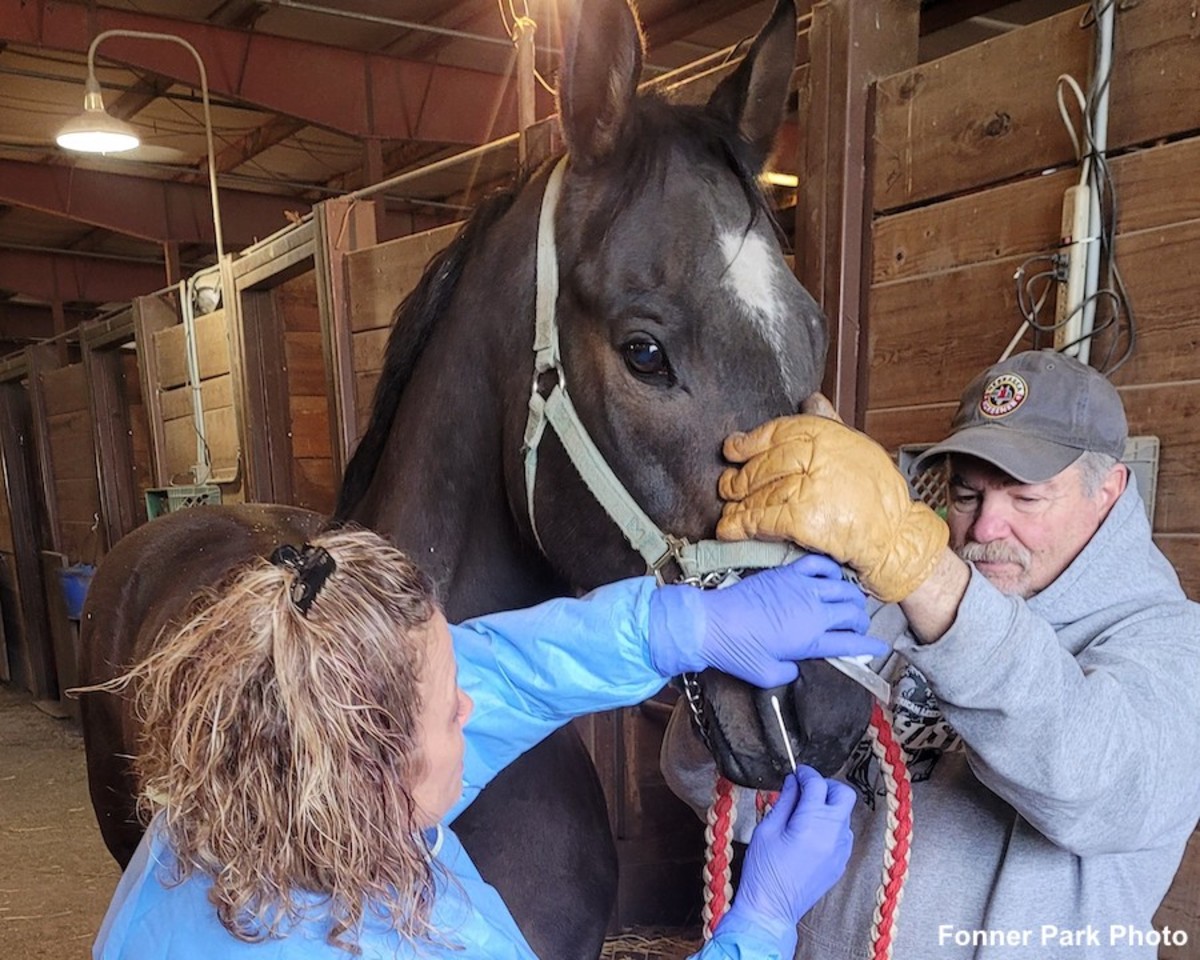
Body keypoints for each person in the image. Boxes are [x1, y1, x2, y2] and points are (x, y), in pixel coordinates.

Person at [89, 525, 887, 960]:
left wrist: (681, 625)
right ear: (373, 773)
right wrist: (762, 924)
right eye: (447, 714)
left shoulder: (233, 787)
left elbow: (497, 671)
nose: (472, 703)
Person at [670, 348, 1200, 959]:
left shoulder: (1171, 646)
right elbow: (716, 791)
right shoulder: (894, 606)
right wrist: (734, 660)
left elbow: (1092, 784)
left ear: (1109, 491)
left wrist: (920, 566)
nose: (983, 530)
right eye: (967, 496)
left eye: (1026, 499)